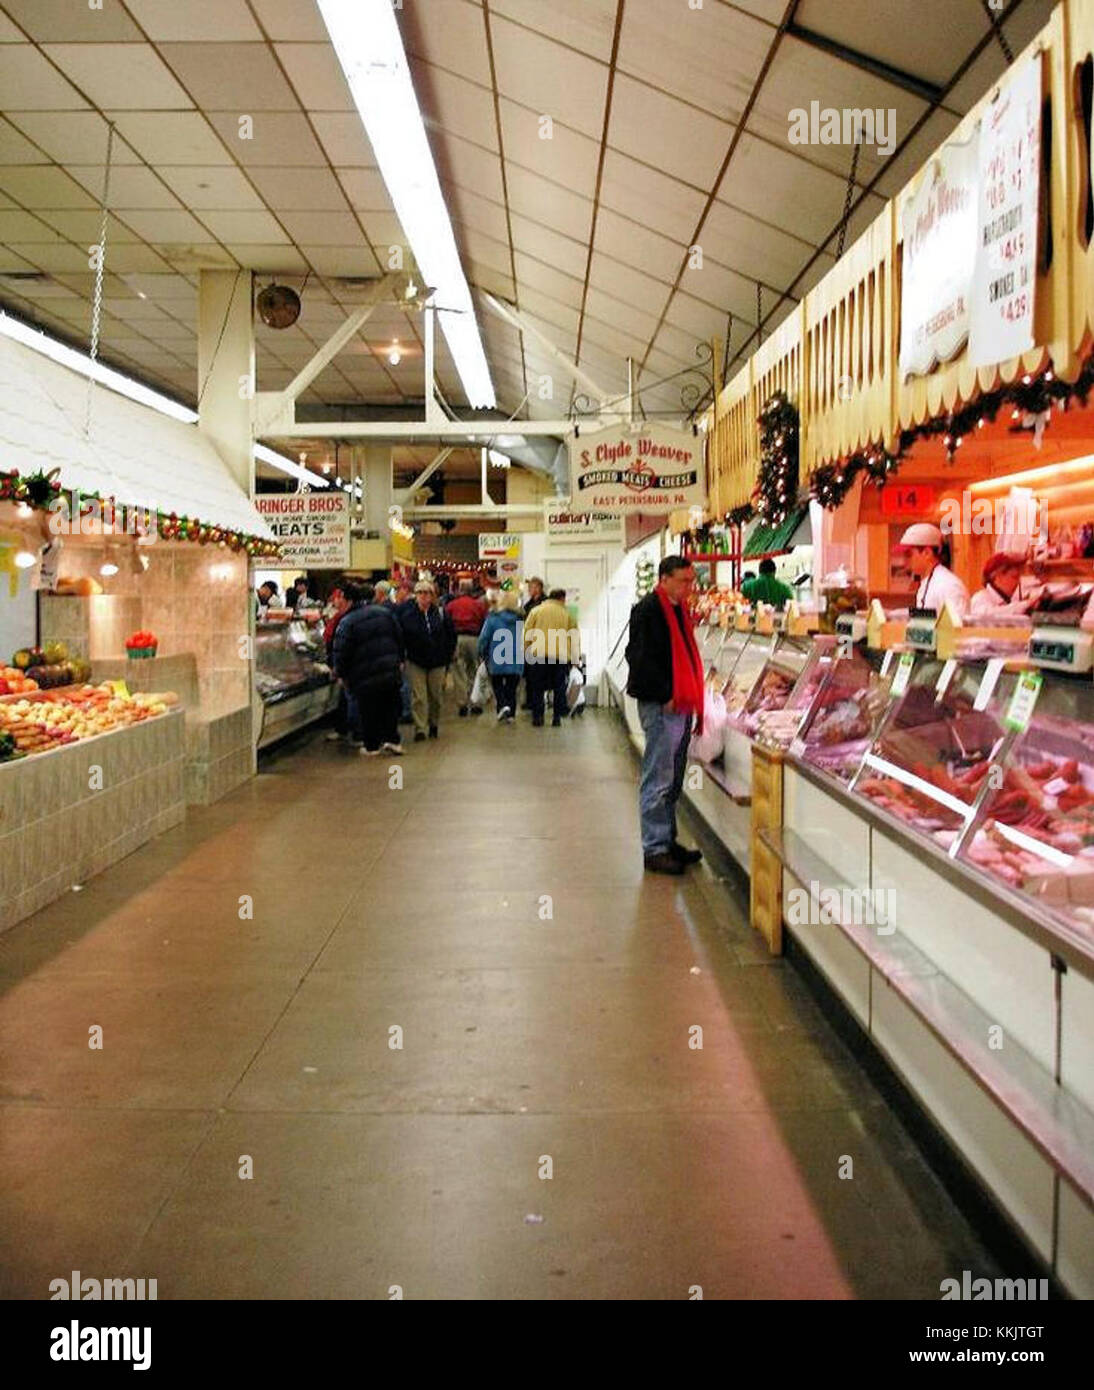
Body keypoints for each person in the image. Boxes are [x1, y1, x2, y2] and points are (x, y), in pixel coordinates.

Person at [625, 556, 705, 876]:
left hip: (680, 703)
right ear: (665, 579)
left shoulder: (677, 610)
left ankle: (667, 839)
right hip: (663, 705)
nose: (689, 586)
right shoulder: (648, 610)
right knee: (658, 778)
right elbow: (640, 658)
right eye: (684, 580)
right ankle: (654, 848)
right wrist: (665, 693)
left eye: (691, 580)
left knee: (672, 777)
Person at [332, 583, 405, 756]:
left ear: (349, 600)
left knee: (368, 710)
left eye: (340, 598)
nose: (338, 602)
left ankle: (372, 746)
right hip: (389, 669)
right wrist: (400, 659)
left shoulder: (347, 621)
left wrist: (340, 672)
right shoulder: (385, 613)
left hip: (363, 674)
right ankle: (393, 740)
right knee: (389, 706)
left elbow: (341, 650)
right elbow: (399, 637)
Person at [397, 579, 456, 741]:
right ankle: (420, 728)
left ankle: (434, 723)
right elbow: (401, 637)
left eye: (427, 593)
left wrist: (448, 655)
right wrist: (402, 657)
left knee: (436, 696)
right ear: (415, 595)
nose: (424, 596)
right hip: (415, 661)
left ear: (433, 596)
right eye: (420, 593)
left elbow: (451, 636)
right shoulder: (407, 615)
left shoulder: (441, 614)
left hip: (437, 661)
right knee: (419, 696)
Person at [524, 587, 579, 728]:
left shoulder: (536, 611)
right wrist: (575, 659)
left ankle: (538, 718)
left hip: (539, 655)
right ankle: (556, 718)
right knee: (559, 688)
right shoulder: (567, 615)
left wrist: (526, 651)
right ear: (562, 598)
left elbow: (527, 633)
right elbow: (574, 637)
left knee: (537, 687)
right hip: (560, 657)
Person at [898, 522, 969, 618]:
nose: (904, 561)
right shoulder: (926, 583)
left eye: (908, 555)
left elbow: (958, 627)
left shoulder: (949, 585)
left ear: (927, 553)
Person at [478, 589, 524, 722]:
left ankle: (502, 706)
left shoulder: (493, 618)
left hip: (496, 657)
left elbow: (484, 638)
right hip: (515, 657)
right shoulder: (520, 619)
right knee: (511, 688)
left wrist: (481, 651)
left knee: (497, 685)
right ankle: (511, 715)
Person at [447, 577, 488, 716]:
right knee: (476, 671)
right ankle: (475, 702)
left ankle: (462, 703)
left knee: (458, 672)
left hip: (457, 639)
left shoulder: (452, 605)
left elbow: (446, 624)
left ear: (459, 590)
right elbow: (484, 622)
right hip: (475, 639)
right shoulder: (478, 605)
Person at [970, 552, 1042, 617]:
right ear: (997, 577)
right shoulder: (980, 599)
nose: (1018, 582)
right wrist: (1027, 604)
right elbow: (989, 616)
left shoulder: (1008, 601)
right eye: (1014, 577)